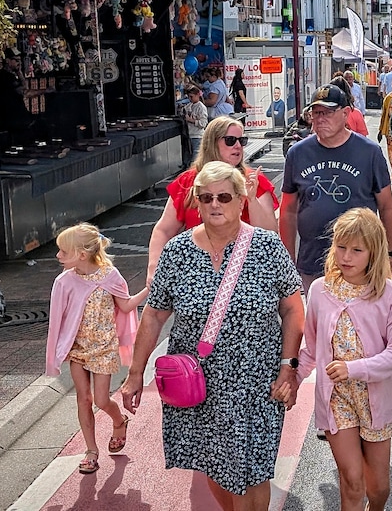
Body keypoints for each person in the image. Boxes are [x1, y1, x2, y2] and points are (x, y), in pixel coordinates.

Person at [120, 161, 304, 510]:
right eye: (206, 198)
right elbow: (155, 314)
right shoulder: (177, 252)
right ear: (197, 203)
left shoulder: (267, 247)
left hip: (256, 381)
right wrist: (133, 375)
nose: (215, 204)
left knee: (253, 470)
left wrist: (288, 365)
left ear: (240, 200)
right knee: (214, 466)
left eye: (223, 196)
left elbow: (293, 309)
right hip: (199, 384)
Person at [293, 208, 392, 511]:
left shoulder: (390, 295)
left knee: (379, 488)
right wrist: (291, 380)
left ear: (374, 252)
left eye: (357, 250)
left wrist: (354, 368)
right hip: (336, 398)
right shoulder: (320, 290)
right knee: (352, 480)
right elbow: (312, 346)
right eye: (340, 247)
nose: (346, 256)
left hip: (375, 401)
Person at [280, 84, 392, 291]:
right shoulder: (298, 154)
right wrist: (287, 258)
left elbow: (387, 206)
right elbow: (288, 210)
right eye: (316, 113)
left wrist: (391, 253)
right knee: (318, 322)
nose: (320, 118)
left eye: (327, 112)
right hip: (313, 263)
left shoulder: (369, 152)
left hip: (362, 265)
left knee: (362, 322)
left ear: (345, 114)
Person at [45, 223, 138, 476]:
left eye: (63, 251)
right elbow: (57, 320)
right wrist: (56, 351)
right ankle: (91, 451)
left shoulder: (110, 276)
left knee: (101, 399)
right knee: (83, 399)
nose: (58, 256)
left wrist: (152, 289)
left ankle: (119, 421)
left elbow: (127, 306)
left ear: (82, 255)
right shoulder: (64, 282)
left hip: (104, 349)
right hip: (78, 349)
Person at [145, 116, 279, 290]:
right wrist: (154, 267)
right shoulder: (188, 181)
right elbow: (164, 229)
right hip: (196, 276)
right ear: (212, 143)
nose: (238, 146)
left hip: (246, 275)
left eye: (242, 140)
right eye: (230, 140)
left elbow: (270, 234)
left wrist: (251, 199)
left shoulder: (253, 180)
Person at [0, 48, 44, 145]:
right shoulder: (5, 77)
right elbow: (25, 92)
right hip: (11, 117)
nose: (19, 62)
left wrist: (19, 72)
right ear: (8, 60)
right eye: (16, 60)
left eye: (20, 60)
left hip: (17, 115)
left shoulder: (12, 75)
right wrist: (45, 90)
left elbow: (24, 87)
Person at [182, 85, 208, 166]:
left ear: (197, 95)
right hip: (189, 135)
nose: (190, 99)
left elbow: (203, 123)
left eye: (191, 97)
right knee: (187, 155)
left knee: (196, 157)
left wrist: (192, 120)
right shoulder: (189, 106)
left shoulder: (201, 108)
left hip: (197, 136)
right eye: (189, 97)